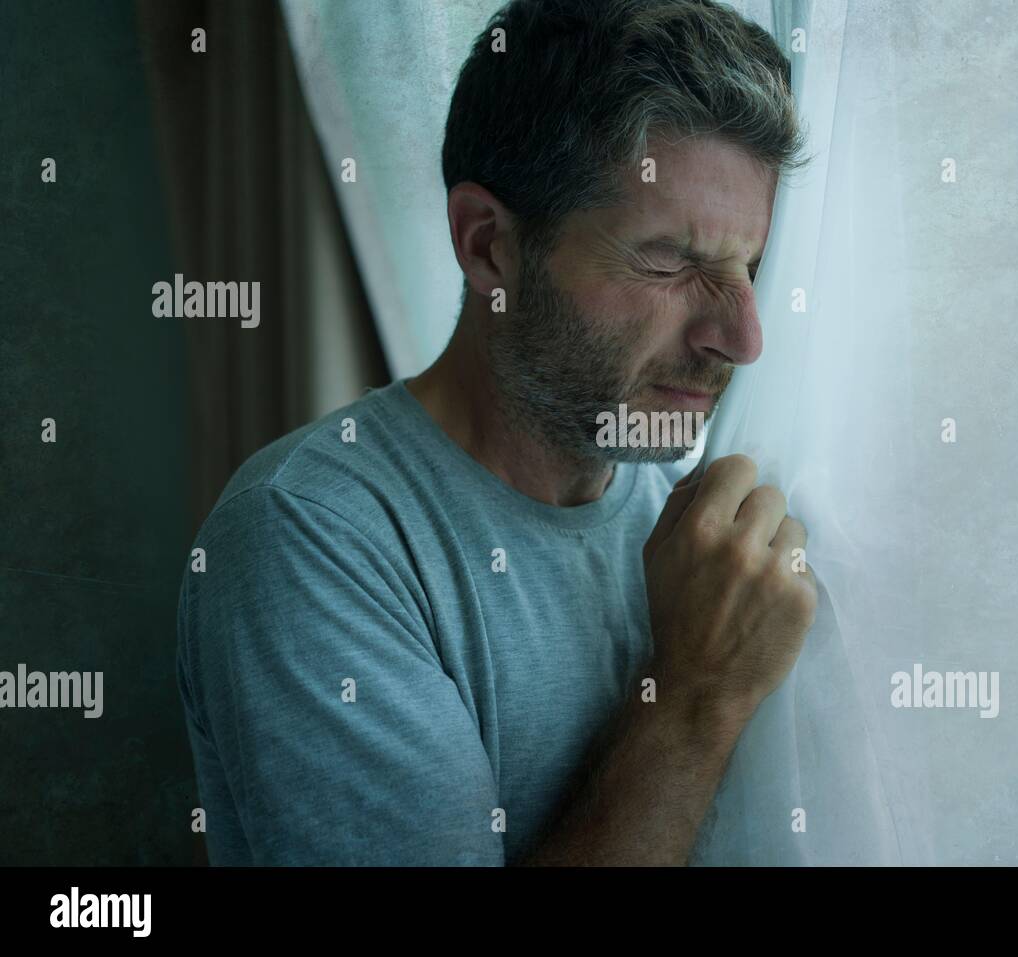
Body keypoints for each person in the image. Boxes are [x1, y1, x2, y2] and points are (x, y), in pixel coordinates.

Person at [177, 0, 816, 865]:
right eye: (670, 261)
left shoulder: (699, 523)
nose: (741, 338)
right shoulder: (309, 536)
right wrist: (697, 696)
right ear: (489, 248)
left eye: (749, 269)